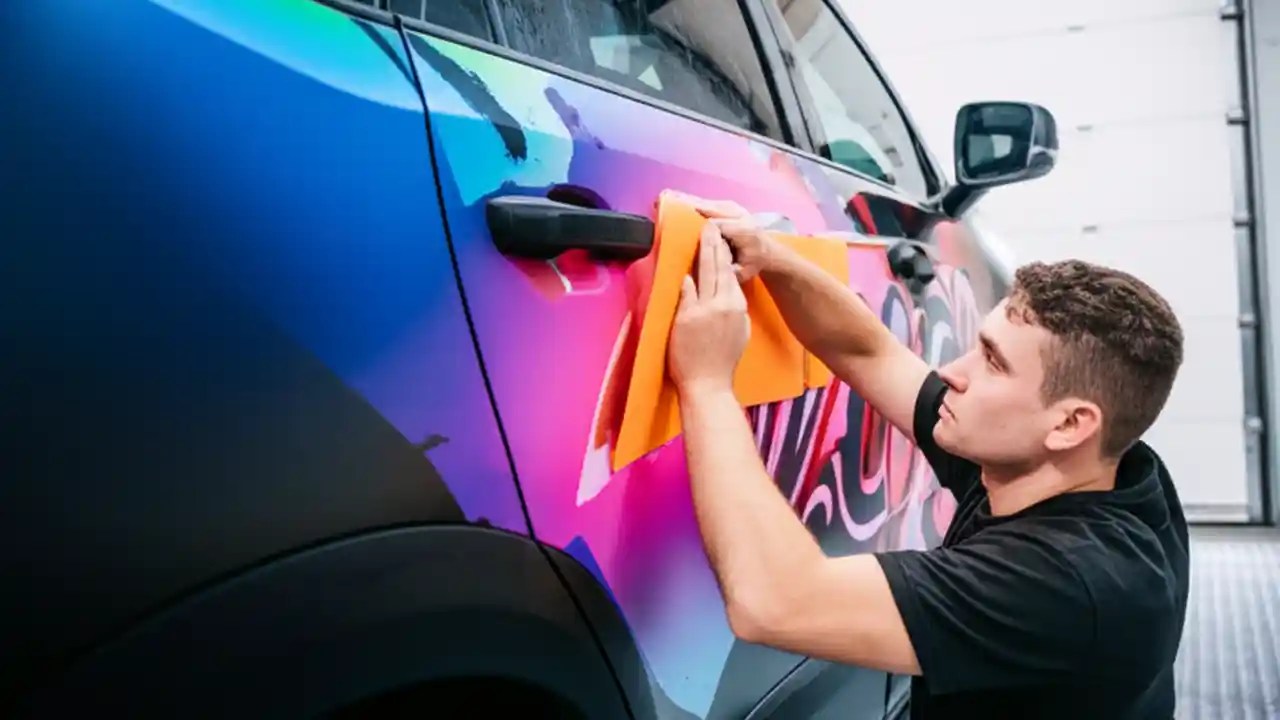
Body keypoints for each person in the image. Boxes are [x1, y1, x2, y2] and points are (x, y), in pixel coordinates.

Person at [666, 196, 1190, 719]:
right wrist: (771, 256)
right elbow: (868, 353)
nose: (950, 373)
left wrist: (707, 384)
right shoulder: (1091, 465)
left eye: (993, 363)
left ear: (1071, 424)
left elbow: (775, 603)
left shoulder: (1067, 585)